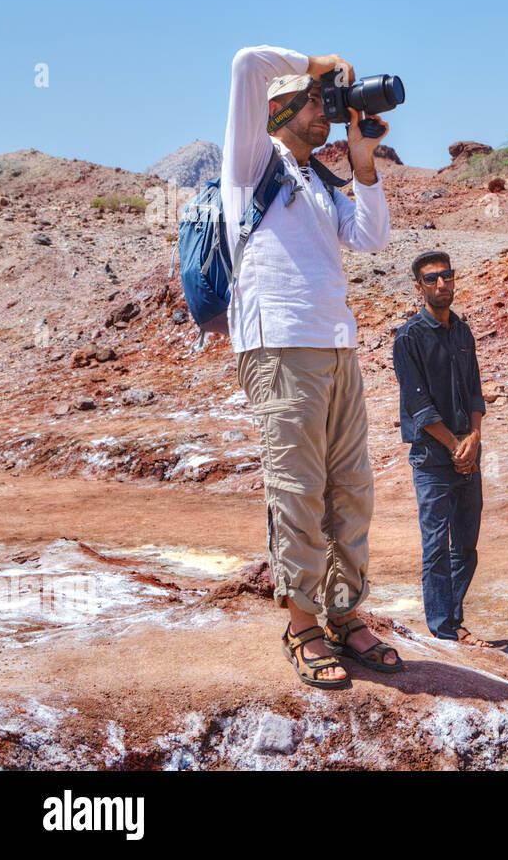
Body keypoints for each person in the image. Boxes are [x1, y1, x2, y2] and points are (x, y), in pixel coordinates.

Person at [223, 44, 402, 688]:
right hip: (278, 342)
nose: (326, 111)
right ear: (279, 109)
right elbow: (247, 62)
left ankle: (345, 613)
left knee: (351, 489)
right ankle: (300, 622)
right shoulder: (249, 162)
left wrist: (362, 162)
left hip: (336, 343)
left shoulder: (320, 180)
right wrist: (315, 59)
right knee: (297, 489)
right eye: (316, 102)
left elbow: (372, 238)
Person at [392, 251, 492, 647]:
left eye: (446, 277)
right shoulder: (408, 337)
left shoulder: (463, 333)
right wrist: (456, 446)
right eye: (432, 279)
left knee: (466, 543)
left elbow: (474, 391)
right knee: (436, 545)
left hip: (467, 452)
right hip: (434, 458)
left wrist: (475, 437)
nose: (441, 285)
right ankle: (446, 629)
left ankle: (452, 620)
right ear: (419, 286)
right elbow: (418, 404)